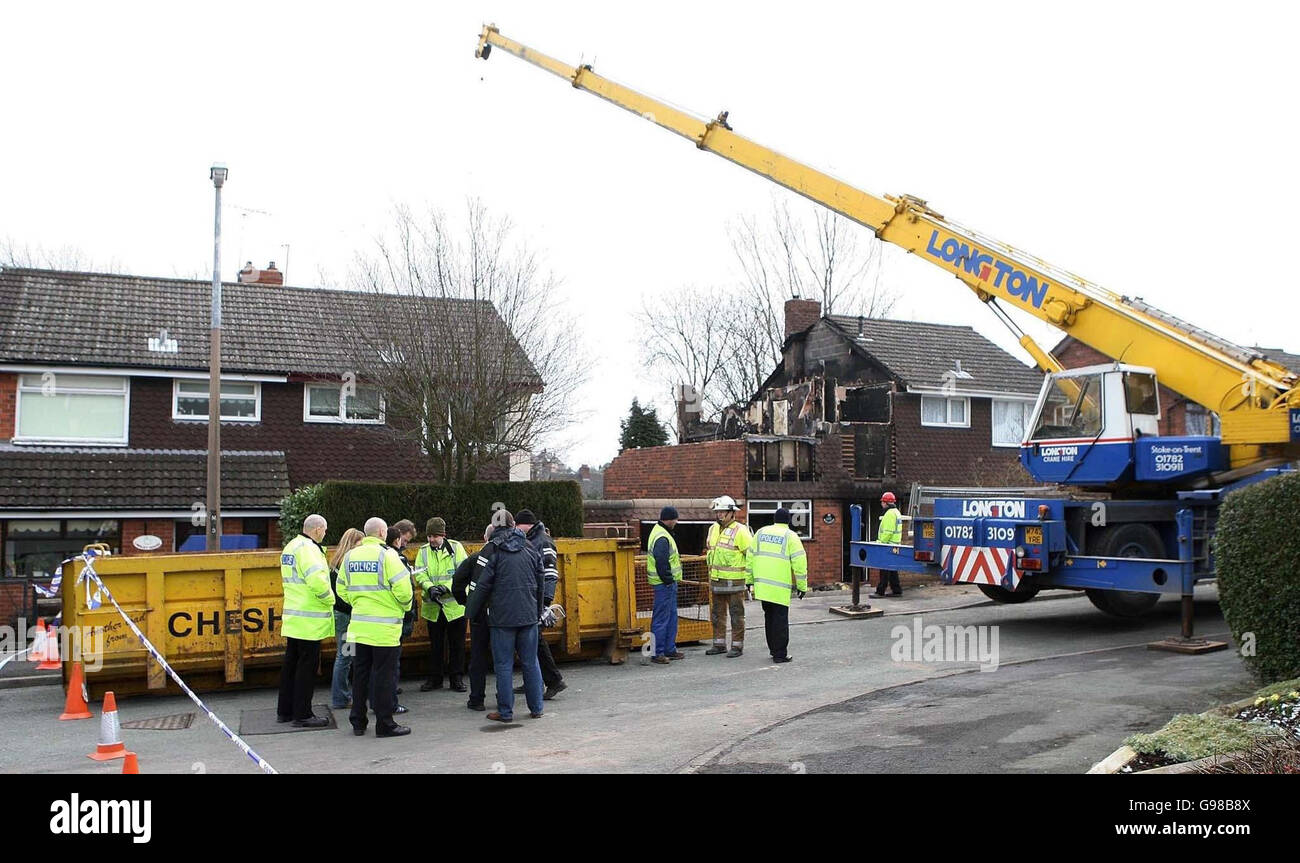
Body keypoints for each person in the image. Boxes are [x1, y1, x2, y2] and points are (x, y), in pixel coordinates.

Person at [465, 509, 546, 723]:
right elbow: (540, 583)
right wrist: (537, 611)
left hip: (502, 619)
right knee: (531, 662)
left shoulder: (495, 552)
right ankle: (537, 707)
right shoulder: (530, 548)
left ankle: (505, 712)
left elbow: (482, 586)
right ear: (513, 525)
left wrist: (471, 613)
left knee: (503, 666)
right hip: (528, 616)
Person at [338, 517, 413, 738]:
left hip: (359, 627)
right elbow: (405, 592)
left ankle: (358, 722)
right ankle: (384, 723)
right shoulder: (388, 555)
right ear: (382, 532)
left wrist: (359, 602)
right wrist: (402, 607)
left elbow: (341, 589)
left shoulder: (350, 556)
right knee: (384, 677)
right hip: (384, 630)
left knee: (360, 674)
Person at [277, 514, 334, 727]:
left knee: (291, 664)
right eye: (325, 530)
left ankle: (285, 710)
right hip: (310, 619)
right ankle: (303, 714)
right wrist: (331, 599)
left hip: (294, 616)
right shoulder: (309, 549)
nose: (325, 533)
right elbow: (317, 582)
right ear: (318, 529)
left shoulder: (291, 547)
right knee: (306, 668)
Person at [513, 510, 566, 699]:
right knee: (531, 641)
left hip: (536, 598)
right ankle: (534, 680)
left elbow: (550, 573)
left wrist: (544, 602)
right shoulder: (535, 539)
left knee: (535, 641)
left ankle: (554, 681)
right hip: (532, 597)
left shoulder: (542, 541)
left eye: (517, 526)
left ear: (525, 525)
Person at [747, 507, 808, 663]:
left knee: (769, 618)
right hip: (779, 587)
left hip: (762, 587)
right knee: (780, 621)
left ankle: (773, 650)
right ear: (788, 521)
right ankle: (780, 654)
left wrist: (749, 581)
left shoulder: (760, 533)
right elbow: (799, 563)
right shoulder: (790, 536)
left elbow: (750, 558)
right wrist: (802, 586)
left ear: (774, 519)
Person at [415, 517, 468, 692]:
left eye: (435, 536)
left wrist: (446, 587)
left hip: (454, 607)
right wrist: (430, 587)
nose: (431, 540)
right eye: (429, 536)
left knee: (457, 645)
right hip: (434, 607)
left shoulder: (456, 548)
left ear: (443, 535)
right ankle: (435, 678)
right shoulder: (423, 552)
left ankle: (456, 679)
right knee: (436, 646)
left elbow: (463, 573)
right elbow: (420, 574)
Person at [453, 522, 499, 711]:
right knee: (501, 658)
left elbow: (457, 583)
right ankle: (503, 697)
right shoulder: (505, 558)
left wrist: (466, 603)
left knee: (478, 657)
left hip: (479, 615)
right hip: (500, 615)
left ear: (484, 538)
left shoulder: (474, 559)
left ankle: (476, 699)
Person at [705, 495, 752, 658]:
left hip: (735, 582)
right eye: (717, 512)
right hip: (717, 581)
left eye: (722, 511)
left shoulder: (741, 530)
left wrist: (750, 579)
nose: (719, 515)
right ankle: (719, 644)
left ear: (732, 513)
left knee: (736, 615)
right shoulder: (712, 529)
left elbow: (751, 556)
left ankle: (737, 646)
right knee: (717, 614)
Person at [328, 527, 365, 710]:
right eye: (360, 544)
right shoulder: (346, 564)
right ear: (352, 543)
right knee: (345, 656)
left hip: (341, 616)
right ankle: (340, 697)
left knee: (346, 656)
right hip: (346, 617)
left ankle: (342, 695)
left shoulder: (336, 562)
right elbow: (343, 596)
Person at [646, 505, 684, 665]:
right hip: (664, 584)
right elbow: (662, 561)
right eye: (675, 519)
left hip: (666, 583)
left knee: (670, 617)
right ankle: (657, 652)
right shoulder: (662, 536)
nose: (676, 522)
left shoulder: (660, 533)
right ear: (669, 519)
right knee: (662, 618)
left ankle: (669, 649)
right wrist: (668, 579)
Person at [387, 519, 416, 713]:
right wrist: (408, 609)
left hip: (368, 623)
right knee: (390, 662)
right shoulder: (395, 558)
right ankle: (390, 701)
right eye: (404, 540)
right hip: (392, 619)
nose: (405, 544)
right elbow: (405, 592)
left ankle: (379, 697)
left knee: (374, 666)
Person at [875, 492, 904, 597]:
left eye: (882, 502)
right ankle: (896, 590)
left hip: (887, 545)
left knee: (884, 568)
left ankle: (880, 591)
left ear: (886, 502)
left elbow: (888, 531)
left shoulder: (889, 514)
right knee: (892, 569)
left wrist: (880, 543)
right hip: (895, 545)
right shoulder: (896, 512)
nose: (881, 504)